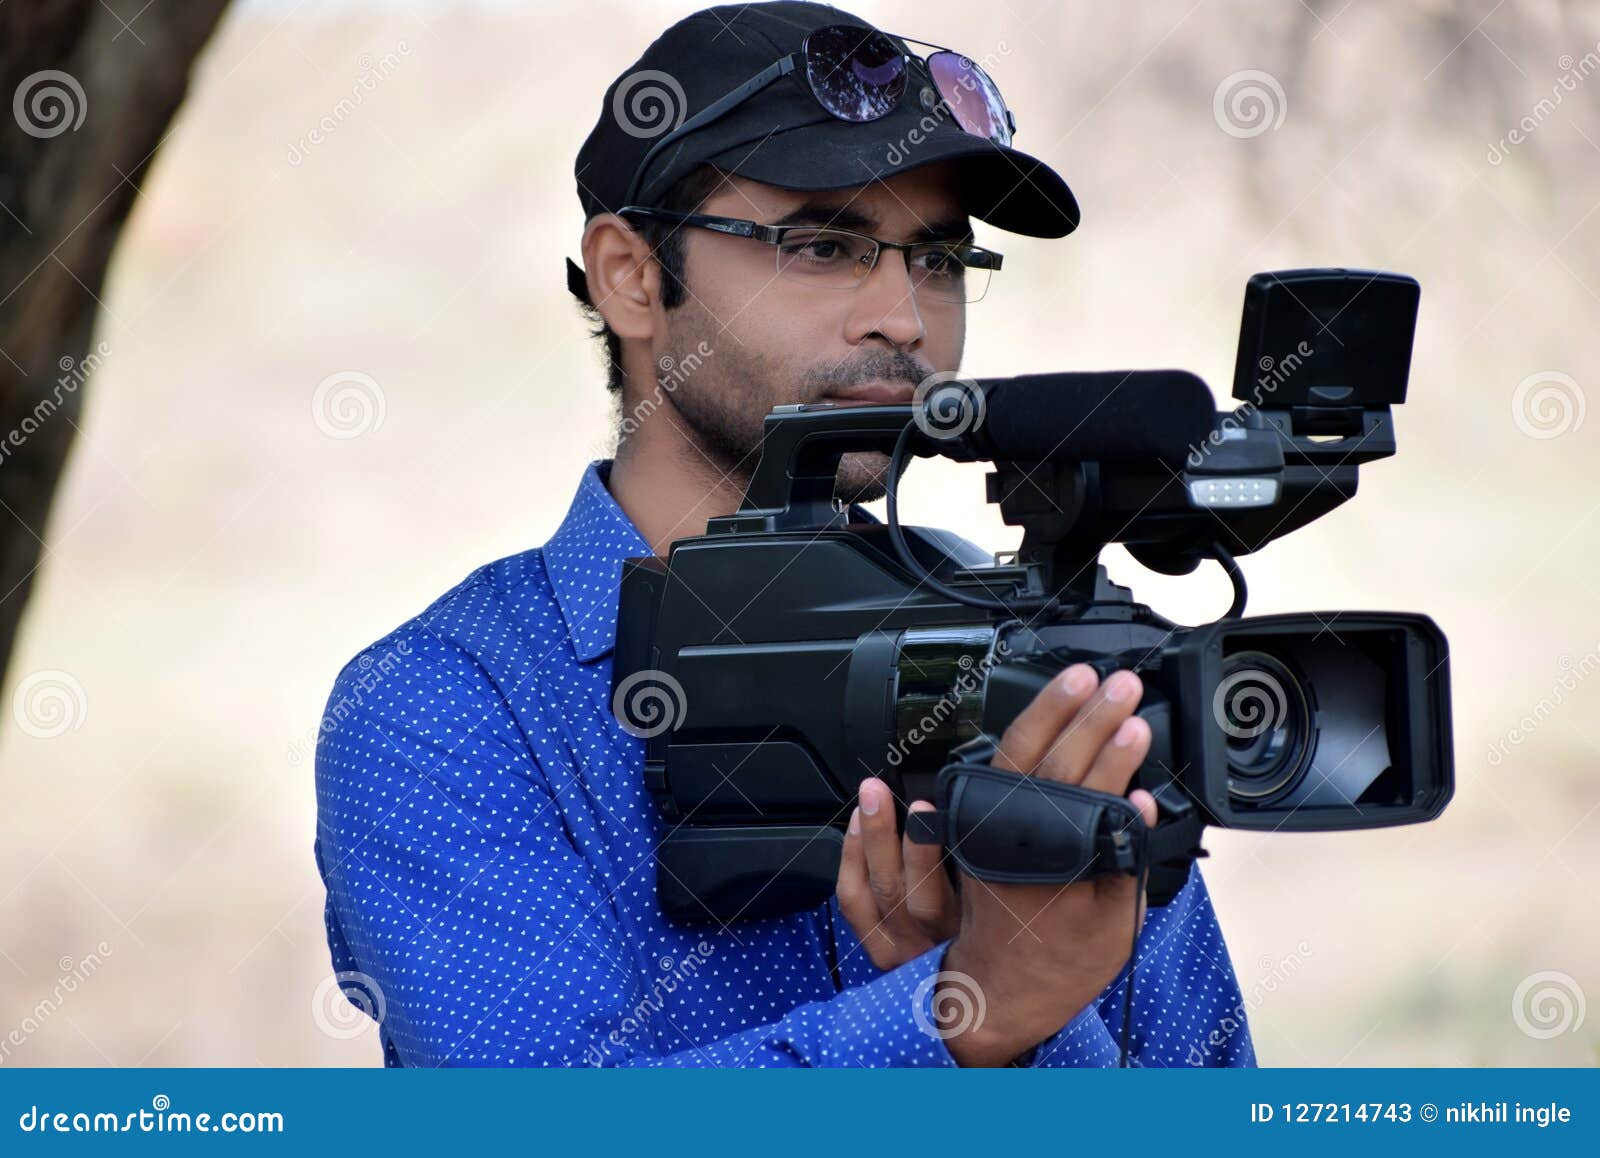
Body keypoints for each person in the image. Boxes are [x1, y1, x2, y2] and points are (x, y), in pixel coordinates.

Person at [313, 0, 1257, 1068]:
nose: (903, 317)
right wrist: (968, 1012)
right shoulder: (447, 706)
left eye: (938, 258)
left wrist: (1010, 1018)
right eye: (822, 244)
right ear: (630, 275)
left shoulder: (1039, 664)